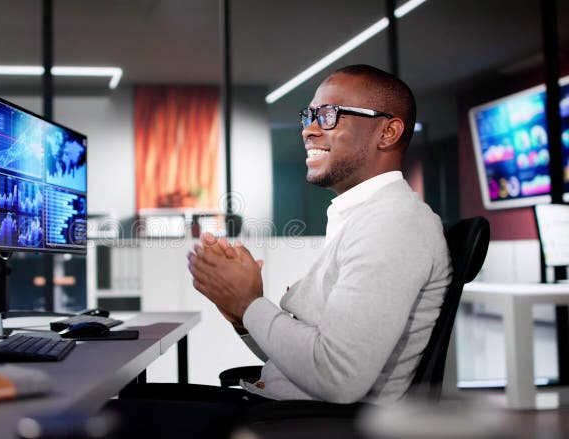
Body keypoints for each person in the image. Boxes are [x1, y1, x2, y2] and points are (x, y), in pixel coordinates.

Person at [112, 65, 453, 436]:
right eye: (309, 115)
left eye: (329, 114)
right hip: (283, 409)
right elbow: (297, 363)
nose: (308, 129)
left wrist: (249, 303)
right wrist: (242, 314)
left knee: (109, 418)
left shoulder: (392, 224)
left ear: (387, 132)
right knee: (123, 404)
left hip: (304, 424)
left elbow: (337, 377)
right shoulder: (361, 218)